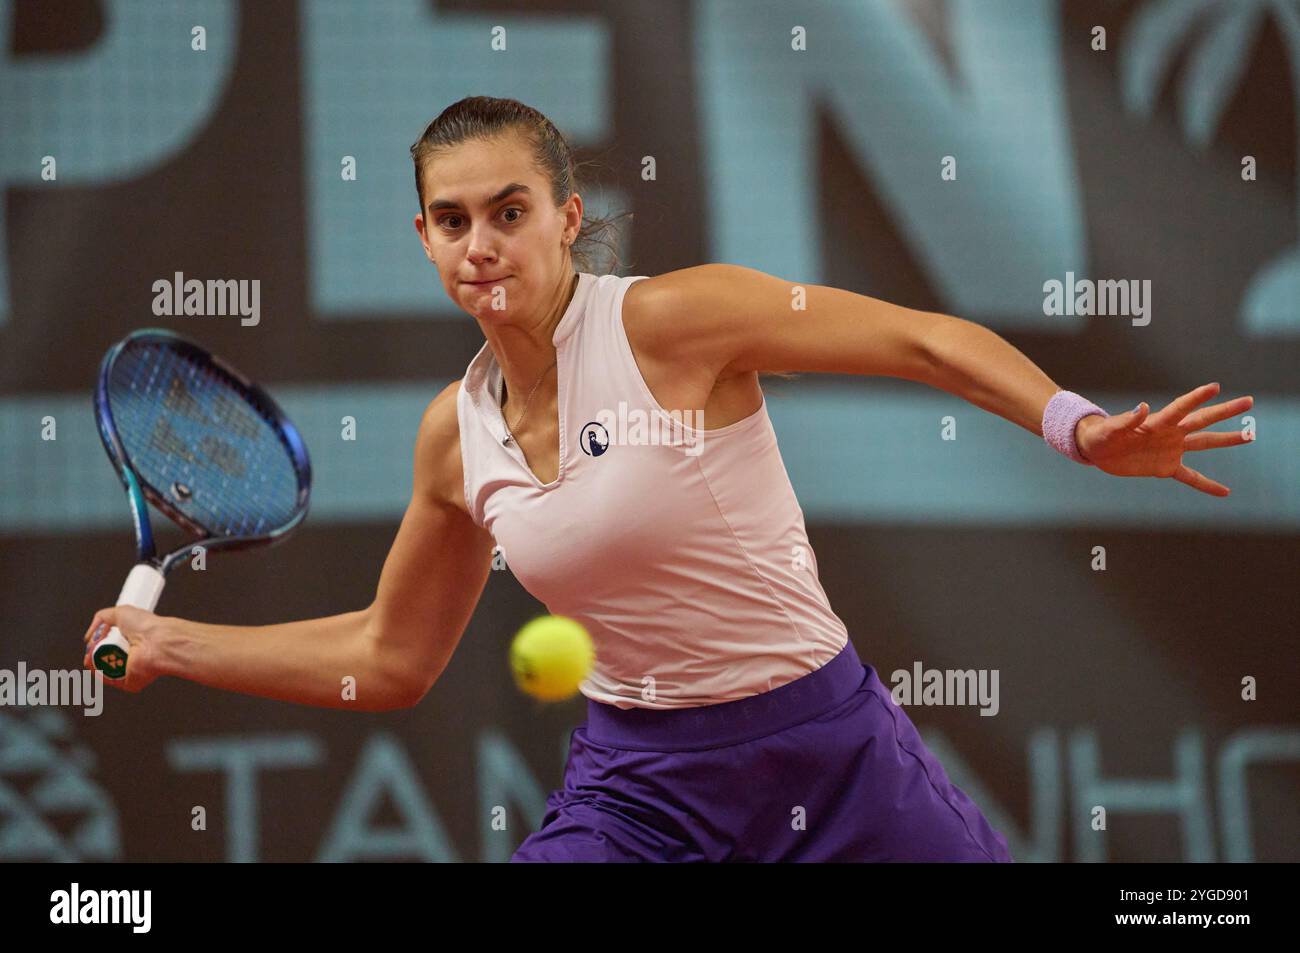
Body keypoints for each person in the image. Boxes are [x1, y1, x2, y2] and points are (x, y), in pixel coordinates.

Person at [83, 96, 1254, 862]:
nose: (480, 243)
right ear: (426, 239)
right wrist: (183, 647)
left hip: (831, 755)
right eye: (451, 220)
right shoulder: (456, 434)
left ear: (568, 220)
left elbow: (918, 338)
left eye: (508, 210)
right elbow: (392, 657)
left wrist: (1077, 425)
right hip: (640, 786)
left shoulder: (675, 321)